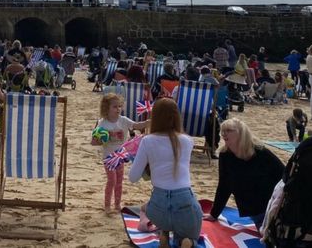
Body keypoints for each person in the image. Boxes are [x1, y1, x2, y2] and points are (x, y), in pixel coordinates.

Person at [130, 99, 201, 248]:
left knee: (148, 208)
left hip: (158, 209)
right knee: (192, 235)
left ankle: (164, 234)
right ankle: (186, 242)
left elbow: (133, 177)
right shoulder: (188, 141)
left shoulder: (147, 141)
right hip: (185, 204)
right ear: (177, 116)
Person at [205, 118, 284, 230]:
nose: (223, 134)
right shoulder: (225, 155)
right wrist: (214, 214)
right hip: (253, 211)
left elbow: (284, 176)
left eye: (228, 130)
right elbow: (224, 185)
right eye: (222, 130)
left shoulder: (261, 153)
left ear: (241, 133)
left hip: (271, 208)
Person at [93, 93, 147, 212]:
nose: (118, 109)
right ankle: (107, 205)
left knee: (119, 181)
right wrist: (100, 140)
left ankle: (117, 204)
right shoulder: (102, 123)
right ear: (106, 108)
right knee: (112, 180)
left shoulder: (123, 120)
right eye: (115, 107)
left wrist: (148, 122)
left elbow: (136, 125)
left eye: (119, 106)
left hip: (120, 156)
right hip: (108, 157)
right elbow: (94, 141)